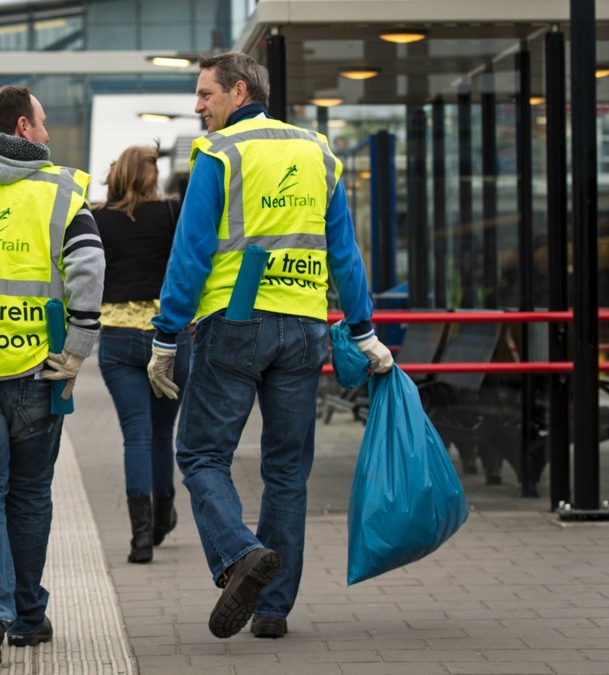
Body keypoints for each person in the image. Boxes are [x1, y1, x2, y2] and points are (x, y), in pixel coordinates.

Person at [146, 52, 393, 641]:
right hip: (305, 325)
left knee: (202, 454)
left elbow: (191, 253)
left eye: (206, 95)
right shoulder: (318, 153)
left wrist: (164, 334)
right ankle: (273, 609)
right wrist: (363, 329)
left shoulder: (220, 153)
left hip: (235, 322)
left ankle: (239, 554)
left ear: (238, 91)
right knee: (288, 469)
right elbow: (345, 254)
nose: (199, 106)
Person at [0, 85, 105, 666]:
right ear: (22, 127)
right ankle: (28, 617)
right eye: (45, 120)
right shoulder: (61, 189)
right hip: (40, 367)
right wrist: (80, 347)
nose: (50, 132)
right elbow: (87, 265)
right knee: (30, 495)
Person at [92, 144, 190, 564]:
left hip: (116, 339)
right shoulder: (171, 214)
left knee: (136, 433)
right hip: (168, 337)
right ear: (151, 175)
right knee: (161, 433)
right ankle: (163, 513)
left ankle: (140, 538)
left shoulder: (97, 219)